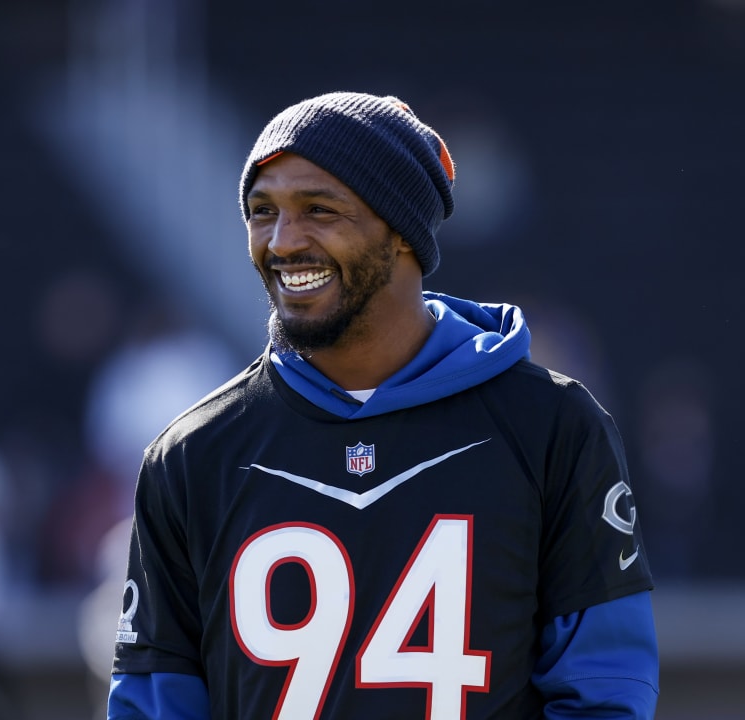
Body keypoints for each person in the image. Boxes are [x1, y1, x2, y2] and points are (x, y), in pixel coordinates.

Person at [106, 91, 658, 719]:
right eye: (263, 213)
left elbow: (605, 692)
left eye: (319, 209)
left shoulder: (552, 429)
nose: (284, 242)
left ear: (400, 231)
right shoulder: (192, 456)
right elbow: (155, 704)